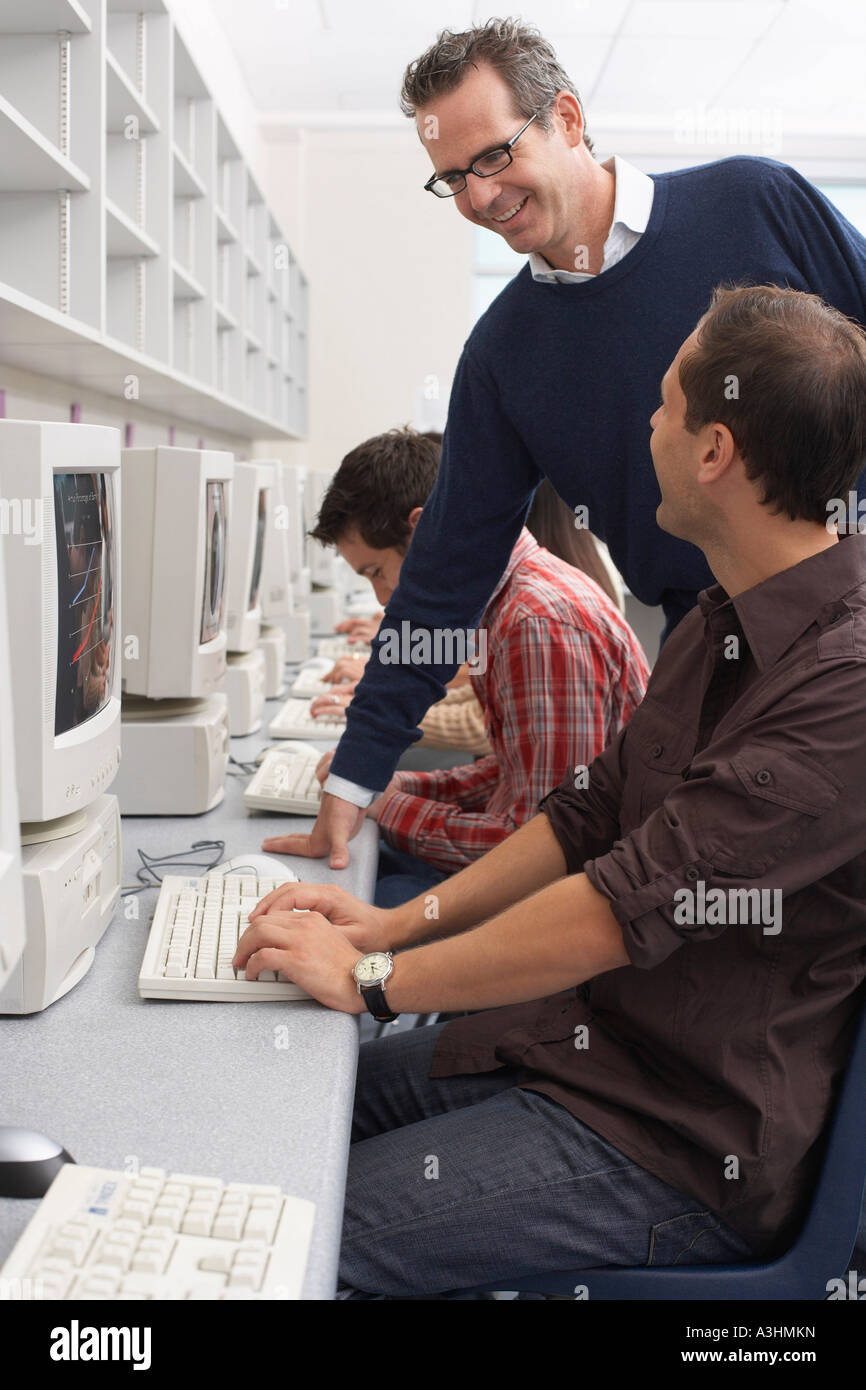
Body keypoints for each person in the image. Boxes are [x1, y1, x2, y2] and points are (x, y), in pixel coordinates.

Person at [235, 284, 866, 1296]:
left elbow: (623, 905)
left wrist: (370, 983)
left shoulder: (843, 680)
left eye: (662, 405)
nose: (644, 424)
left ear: (712, 450)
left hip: (673, 1133)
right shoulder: (719, 614)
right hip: (587, 1044)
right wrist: (385, 930)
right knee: (273, 1106)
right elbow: (581, 813)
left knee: (289, 1243)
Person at [280, 17, 866, 871]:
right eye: (451, 179)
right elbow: (445, 571)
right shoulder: (504, 352)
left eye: (492, 157)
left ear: (567, 117)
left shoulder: (753, 201)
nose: (479, 197)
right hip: (708, 654)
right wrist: (353, 783)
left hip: (846, 617)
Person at [261, 427, 649, 907]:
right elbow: (517, 776)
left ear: (423, 531)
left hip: (551, 904)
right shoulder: (507, 601)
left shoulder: (537, 622)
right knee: (346, 880)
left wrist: (388, 806)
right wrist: (405, 784)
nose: (384, 600)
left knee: (344, 905)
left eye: (377, 572)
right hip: (529, 872)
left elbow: (541, 854)